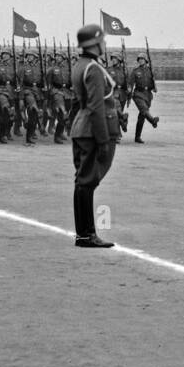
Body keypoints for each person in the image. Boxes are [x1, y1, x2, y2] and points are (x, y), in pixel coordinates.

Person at [68, 24, 120, 248]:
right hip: (93, 130)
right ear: (95, 44)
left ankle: (84, 234)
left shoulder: (81, 65)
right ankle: (87, 235)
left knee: (82, 182)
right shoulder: (94, 69)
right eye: (103, 41)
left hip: (81, 128)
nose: (105, 44)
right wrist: (103, 140)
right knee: (87, 182)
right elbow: (97, 107)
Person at [129, 55, 160, 143]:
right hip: (138, 94)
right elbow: (130, 83)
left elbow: (153, 82)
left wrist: (154, 87)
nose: (140, 61)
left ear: (146, 60)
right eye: (139, 59)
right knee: (143, 109)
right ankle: (152, 120)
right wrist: (129, 93)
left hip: (148, 95)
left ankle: (137, 137)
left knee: (142, 116)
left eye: (142, 59)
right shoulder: (135, 71)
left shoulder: (150, 71)